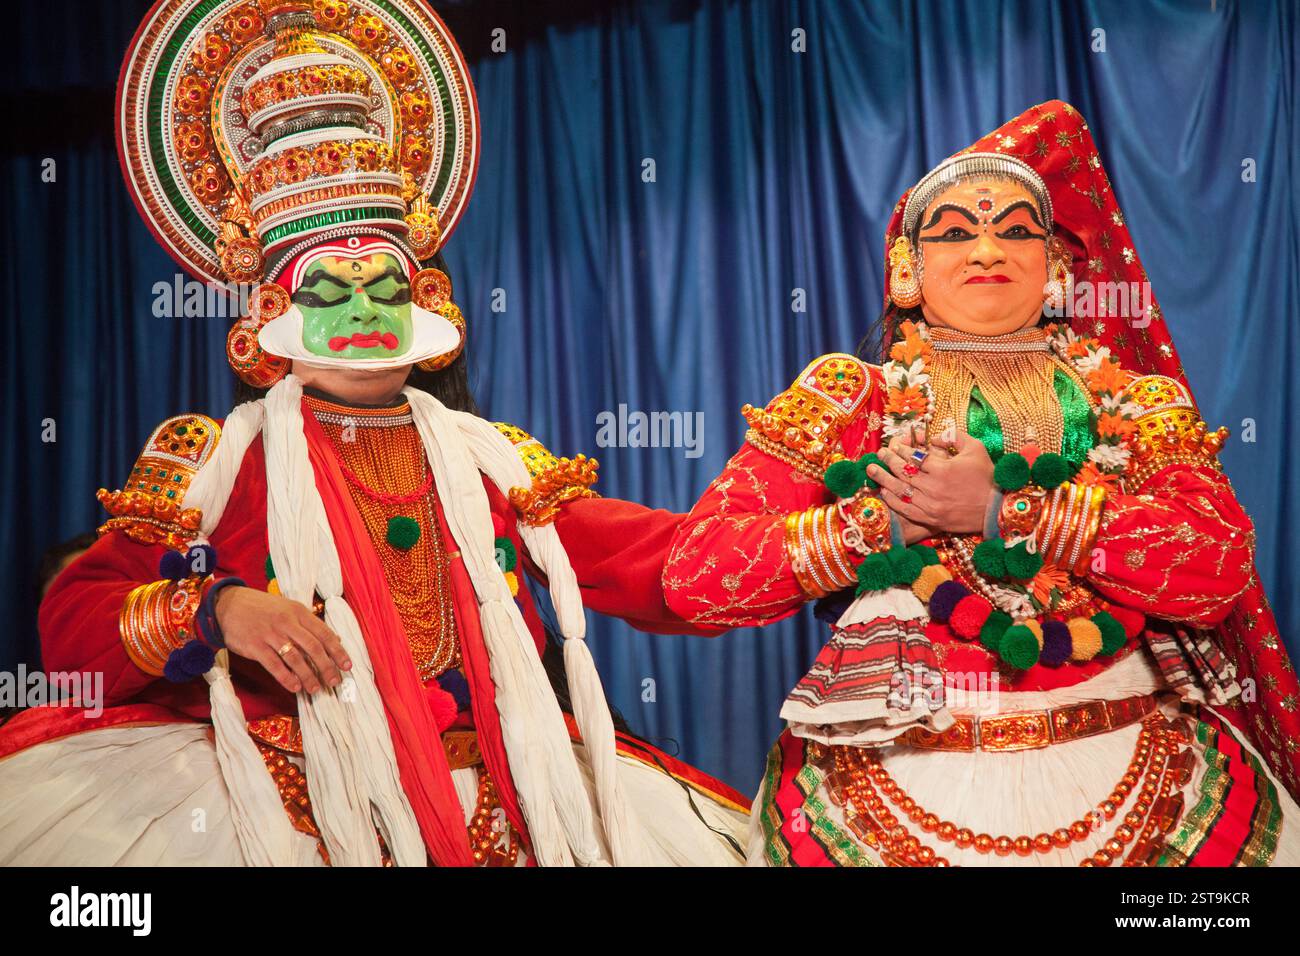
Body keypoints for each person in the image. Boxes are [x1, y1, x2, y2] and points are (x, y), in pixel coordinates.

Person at [0, 0, 747, 867]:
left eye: (383, 286)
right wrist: (215, 608)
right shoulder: (213, 455)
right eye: (327, 291)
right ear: (269, 312)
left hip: (506, 795)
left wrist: (850, 525)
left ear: (424, 301)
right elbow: (74, 627)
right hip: (281, 804)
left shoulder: (489, 458)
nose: (361, 310)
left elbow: (664, 567)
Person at [662, 100, 1300, 867]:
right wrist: (884, 527)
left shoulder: (1134, 400)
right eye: (957, 232)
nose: (988, 248)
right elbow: (699, 575)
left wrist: (1010, 512)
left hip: (1150, 759)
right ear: (908, 268)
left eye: (1017, 231)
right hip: (894, 771)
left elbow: (1215, 567)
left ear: (1056, 266)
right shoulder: (849, 395)